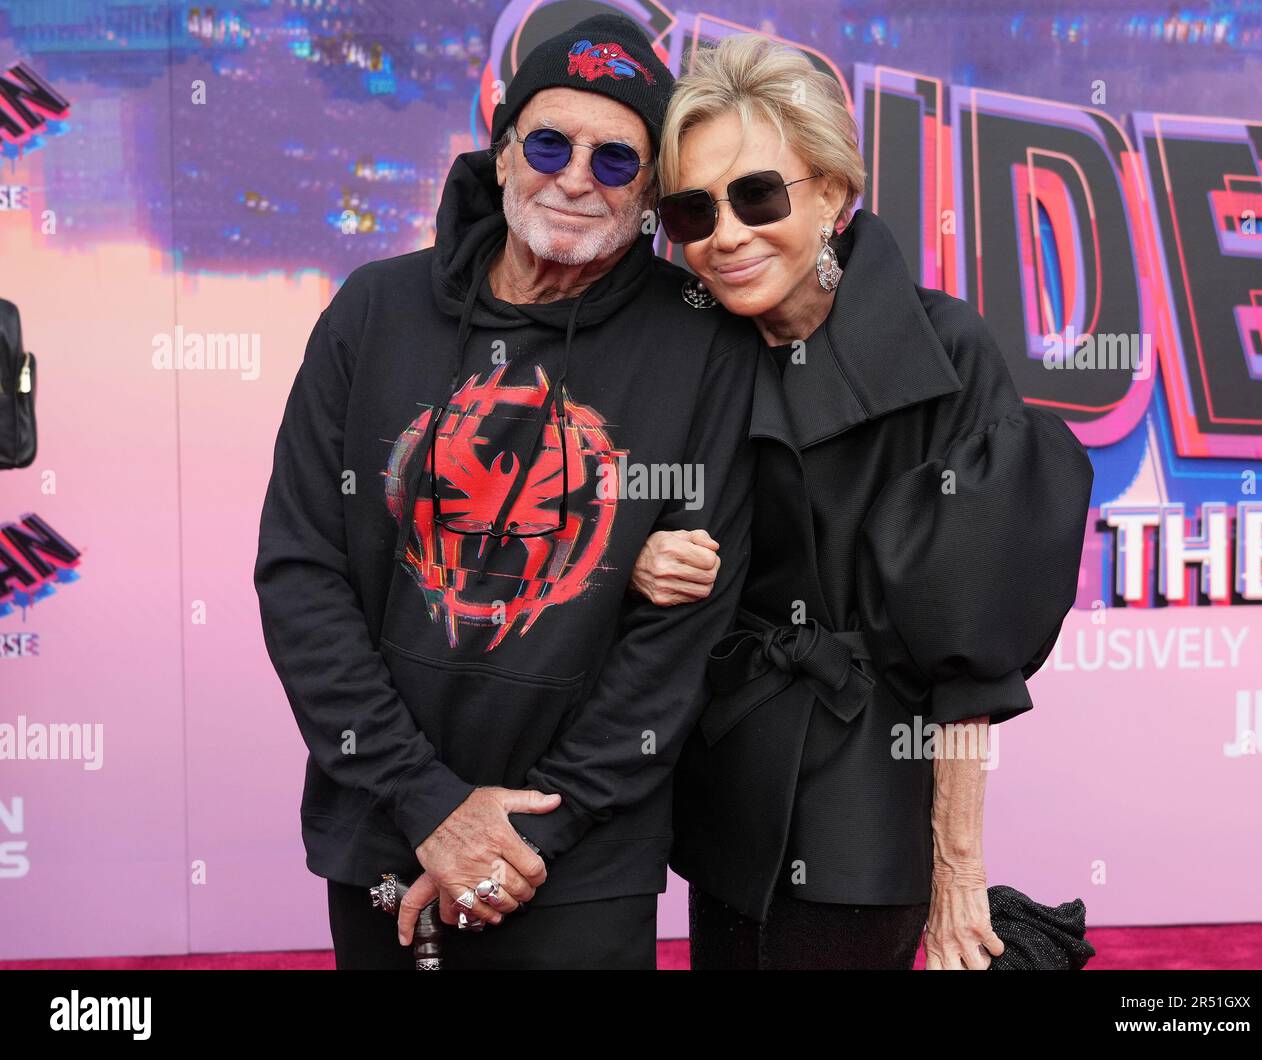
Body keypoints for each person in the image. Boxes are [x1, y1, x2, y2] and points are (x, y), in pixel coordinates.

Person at [253, 13, 757, 970]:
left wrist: (525, 840)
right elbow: (299, 573)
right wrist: (428, 805)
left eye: (616, 161)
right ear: (501, 148)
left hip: (583, 855)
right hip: (385, 831)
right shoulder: (373, 309)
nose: (575, 177)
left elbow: (685, 633)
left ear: (649, 190)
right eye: (550, 143)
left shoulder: (702, 342)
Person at [630, 34, 1094, 970]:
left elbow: (971, 654)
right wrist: (639, 553)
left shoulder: (943, 349)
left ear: (834, 193)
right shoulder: (688, 352)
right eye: (692, 210)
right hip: (729, 772)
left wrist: (958, 866)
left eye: (759, 195)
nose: (726, 235)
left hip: (870, 780)